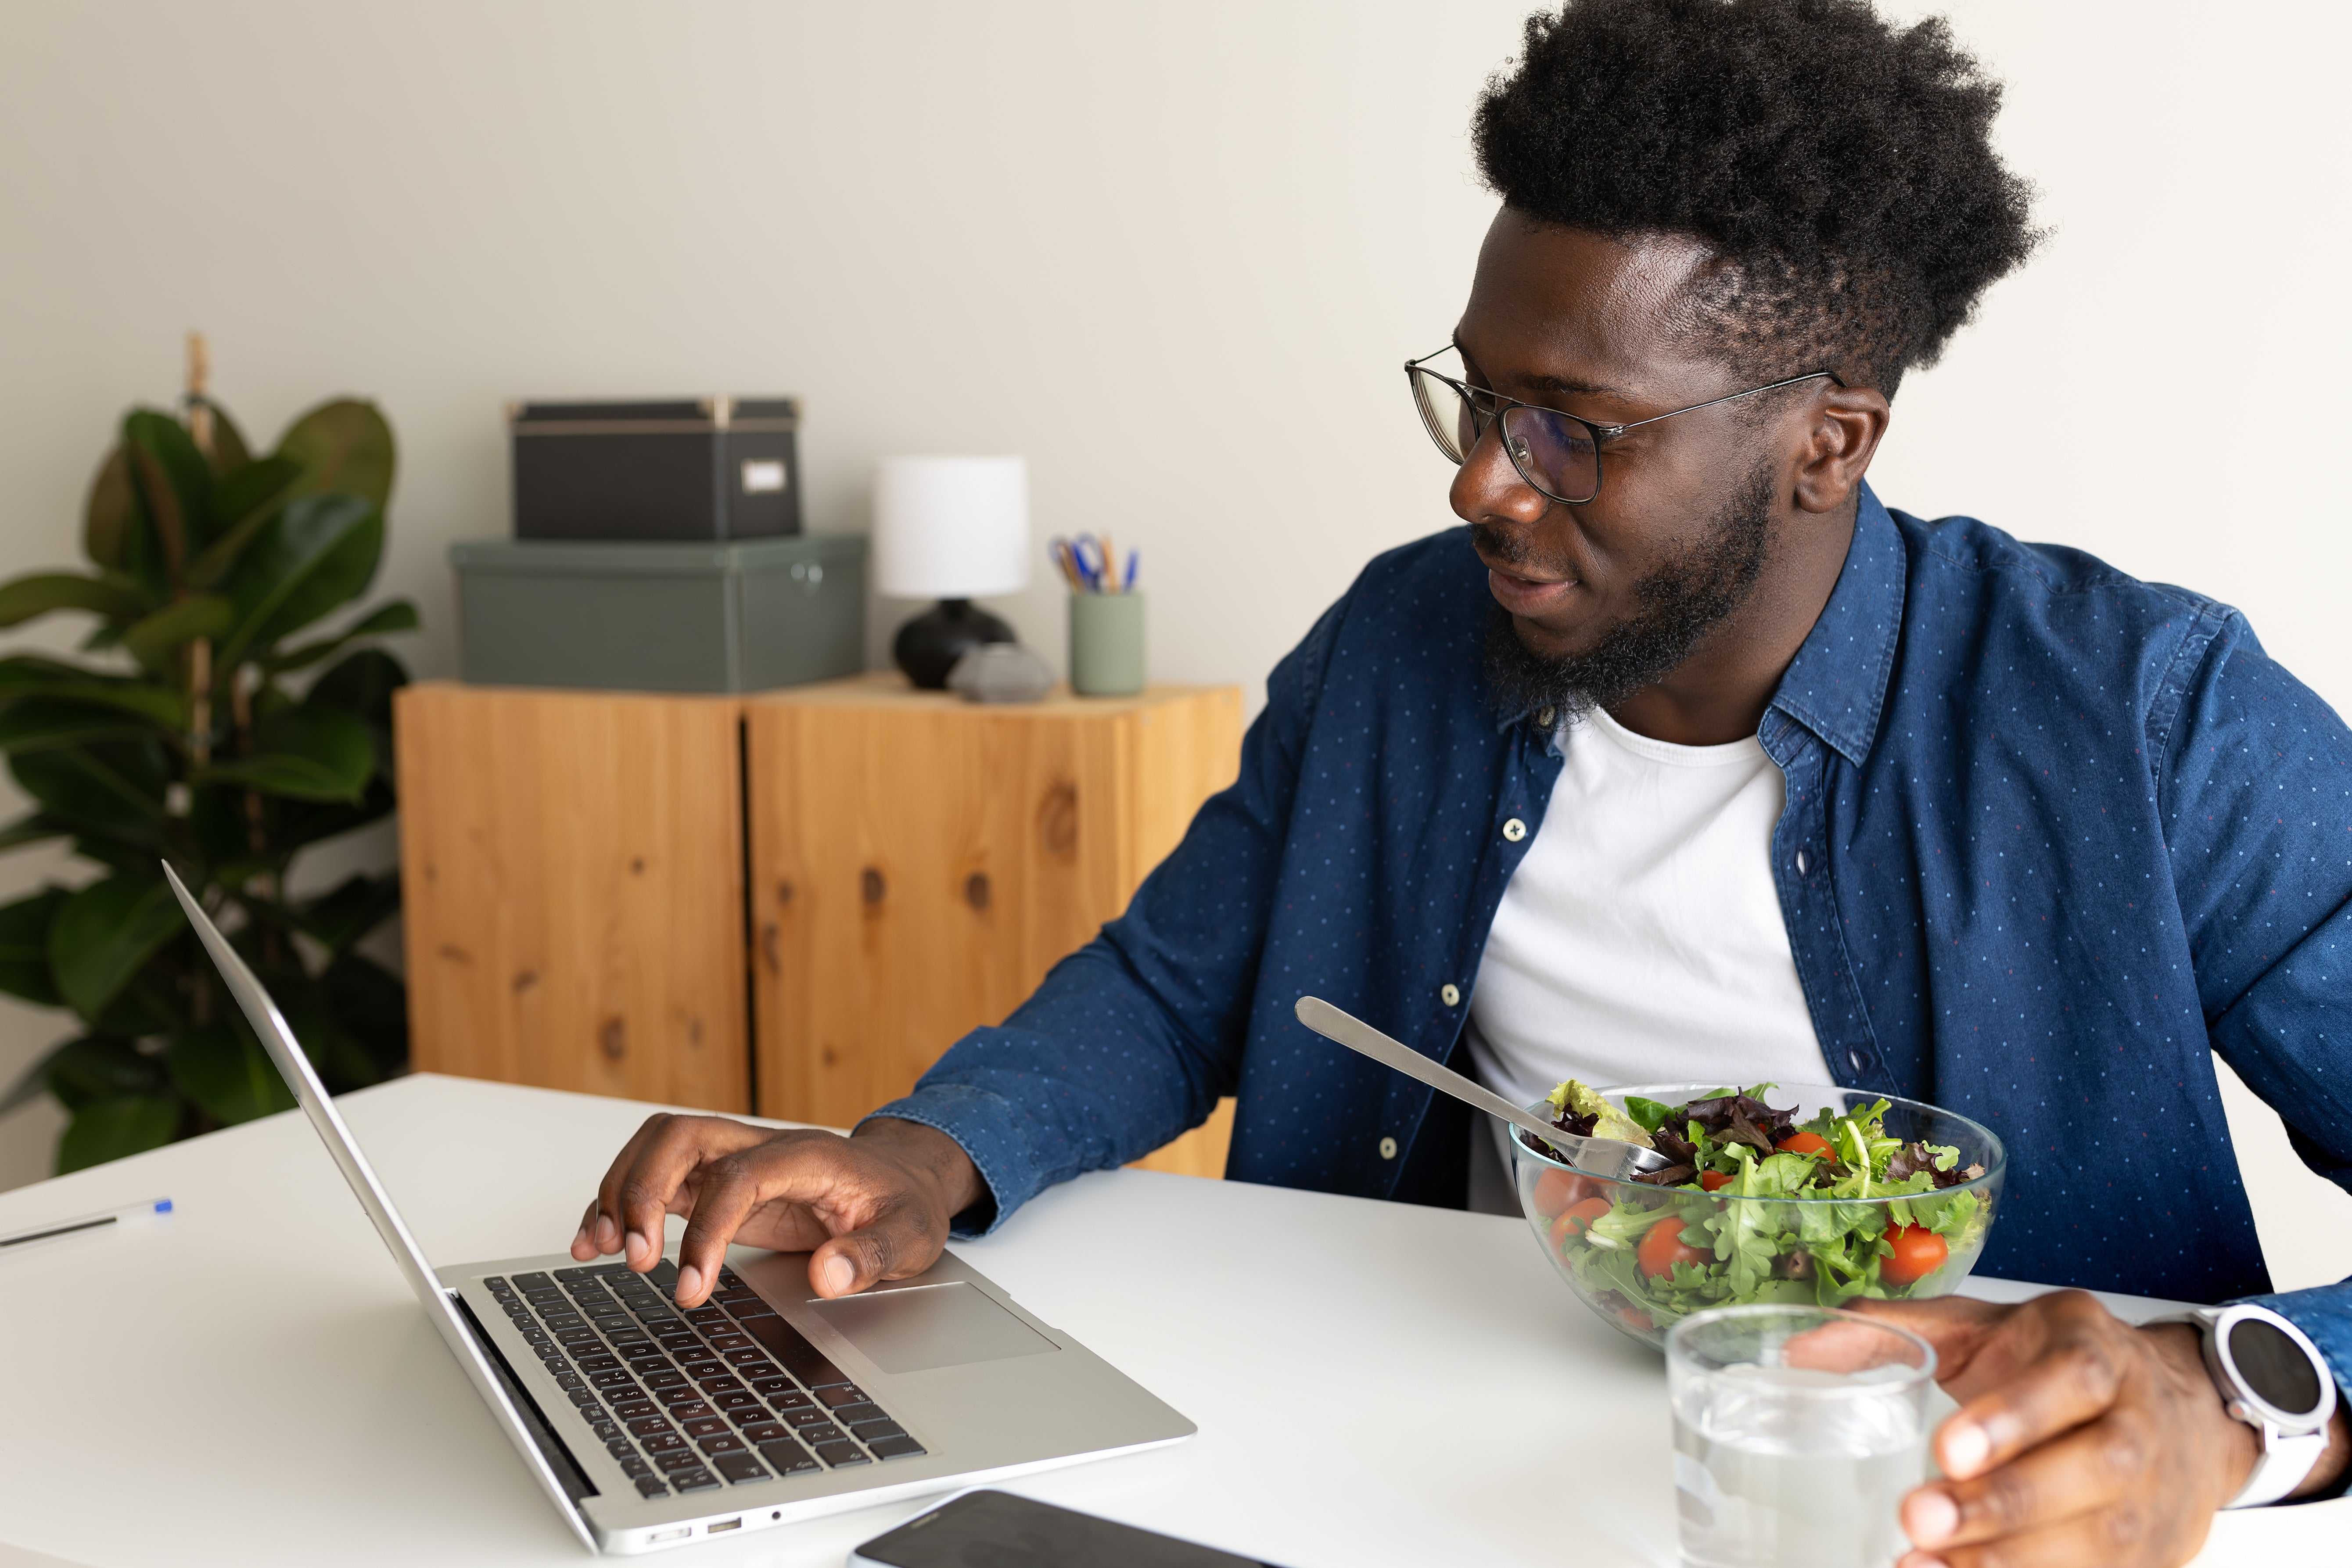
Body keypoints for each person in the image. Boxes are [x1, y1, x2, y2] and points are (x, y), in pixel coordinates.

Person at [573, 1, 2352, 1561]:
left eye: (1573, 427)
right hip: (1407, 1464)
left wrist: (2235, 1405)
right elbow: (1172, 986)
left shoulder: (2144, 711)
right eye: (1477, 400)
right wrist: (913, 1156)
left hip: (1940, 1504)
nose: (1483, 488)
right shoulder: (1398, 647)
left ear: (1825, 441)